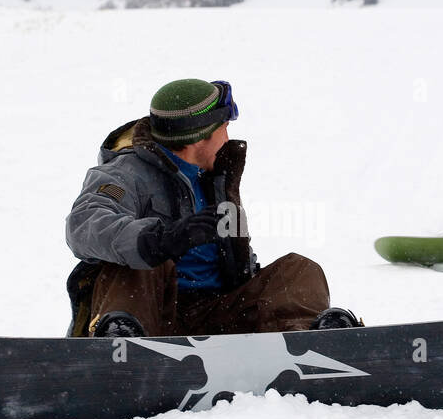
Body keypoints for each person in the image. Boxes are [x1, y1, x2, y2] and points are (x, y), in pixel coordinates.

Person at [65, 78, 361, 337]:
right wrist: (161, 239)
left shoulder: (216, 176)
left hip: (217, 313)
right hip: (151, 315)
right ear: (202, 136)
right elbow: (84, 224)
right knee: (138, 261)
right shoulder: (125, 172)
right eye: (224, 128)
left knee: (299, 269)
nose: (228, 137)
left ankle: (308, 344)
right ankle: (121, 348)